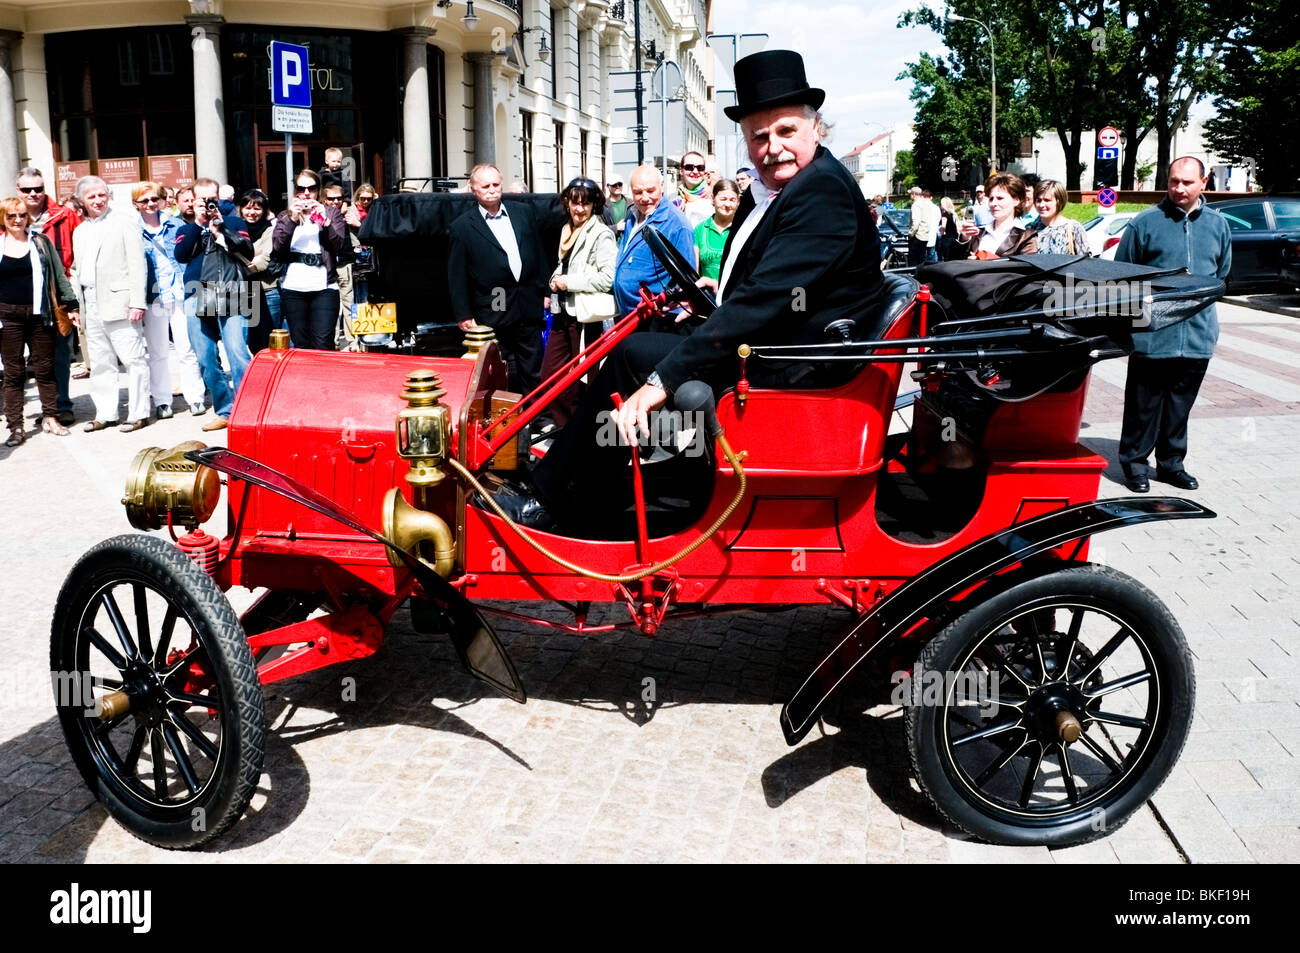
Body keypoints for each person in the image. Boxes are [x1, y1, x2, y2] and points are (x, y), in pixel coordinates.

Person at [508, 49, 886, 531]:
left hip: (790, 365)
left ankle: (556, 498)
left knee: (632, 358)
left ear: (816, 128)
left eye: (786, 131)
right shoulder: (775, 190)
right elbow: (754, 284)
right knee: (634, 348)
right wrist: (704, 303)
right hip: (775, 346)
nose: (773, 147)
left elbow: (766, 297)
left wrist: (662, 380)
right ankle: (590, 485)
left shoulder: (821, 190)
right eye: (759, 136)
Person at [1115, 156, 1231, 493]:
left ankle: (1171, 464)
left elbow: (1221, 274)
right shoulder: (1145, 223)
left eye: (1187, 182)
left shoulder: (1218, 225)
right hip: (1152, 334)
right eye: (1174, 181)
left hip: (1197, 334)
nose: (1179, 188)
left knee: (1180, 406)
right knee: (1143, 405)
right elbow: (1122, 276)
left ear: (1203, 183)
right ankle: (1135, 463)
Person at [446, 163, 548, 393]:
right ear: (474, 190)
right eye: (486, 186)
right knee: (504, 362)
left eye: (496, 184)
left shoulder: (523, 213)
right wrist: (463, 313)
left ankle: (539, 415)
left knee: (533, 362)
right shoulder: (462, 227)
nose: (492, 189)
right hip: (494, 303)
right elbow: (457, 274)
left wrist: (544, 291)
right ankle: (508, 416)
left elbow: (538, 253)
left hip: (528, 300)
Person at [174, 177, 256, 432]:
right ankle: (225, 409)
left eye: (213, 198)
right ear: (194, 200)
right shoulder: (186, 227)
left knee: (237, 351)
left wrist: (221, 231)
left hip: (232, 291)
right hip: (196, 292)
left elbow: (247, 250)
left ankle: (246, 410)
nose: (209, 203)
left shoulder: (234, 221)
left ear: (219, 197)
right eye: (204, 199)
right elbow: (181, 254)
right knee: (205, 356)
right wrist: (199, 223)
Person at [69, 176, 150, 432]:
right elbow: (75, 269)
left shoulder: (124, 222)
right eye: (91, 196)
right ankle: (106, 413)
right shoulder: (80, 230)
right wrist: (76, 305)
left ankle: (138, 413)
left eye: (101, 195)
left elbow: (138, 264)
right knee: (101, 362)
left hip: (120, 301)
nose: (97, 200)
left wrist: (138, 302)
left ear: (109, 196)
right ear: (82, 200)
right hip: (90, 302)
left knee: (133, 359)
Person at [1, 196, 79, 445]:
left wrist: (71, 305)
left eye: (22, 215)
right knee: (14, 374)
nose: (17, 220)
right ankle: (16, 427)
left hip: (39, 314)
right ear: (3, 218)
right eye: (11, 215)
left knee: (45, 370)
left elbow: (58, 274)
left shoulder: (40, 242)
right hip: (8, 317)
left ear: (28, 217)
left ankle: (51, 417)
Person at [540, 177, 618, 426]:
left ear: (594, 205)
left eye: (586, 203)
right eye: (575, 203)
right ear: (567, 203)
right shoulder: (567, 229)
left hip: (585, 318)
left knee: (584, 379)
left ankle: (579, 431)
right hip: (562, 312)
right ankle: (567, 428)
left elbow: (607, 278)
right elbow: (564, 266)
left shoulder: (602, 233)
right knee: (551, 374)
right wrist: (555, 280)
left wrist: (568, 282)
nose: (580, 209)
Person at [134, 181, 205, 418]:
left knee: (187, 349)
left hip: (179, 292)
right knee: (158, 352)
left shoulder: (175, 224)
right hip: (153, 295)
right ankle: (162, 400)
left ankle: (195, 397)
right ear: (136, 204)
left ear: (162, 200)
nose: (150, 204)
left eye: (154, 199)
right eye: (144, 200)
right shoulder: (132, 229)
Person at [16, 166, 80, 424]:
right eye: (27, 189)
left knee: (60, 353)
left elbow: (80, 249)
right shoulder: (7, 217)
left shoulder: (64, 215)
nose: (33, 193)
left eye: (38, 189)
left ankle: (61, 405)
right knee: (18, 356)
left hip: (55, 295)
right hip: (18, 295)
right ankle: (19, 410)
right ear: (18, 190)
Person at [273, 169, 348, 351]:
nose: (306, 193)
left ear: (318, 190)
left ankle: (324, 379)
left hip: (324, 286)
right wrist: (292, 219)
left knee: (323, 343)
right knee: (301, 346)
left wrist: (326, 222)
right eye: (301, 188)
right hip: (293, 287)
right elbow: (278, 248)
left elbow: (338, 245)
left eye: (311, 188)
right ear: (295, 191)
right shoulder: (285, 216)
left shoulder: (330, 213)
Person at [611, 165, 696, 323]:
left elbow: (687, 279)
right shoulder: (632, 215)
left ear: (661, 187)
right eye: (638, 192)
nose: (644, 198)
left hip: (657, 319)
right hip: (628, 316)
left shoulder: (677, 224)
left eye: (650, 191)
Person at [954, 173, 1038, 259]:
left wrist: (985, 259)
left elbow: (1027, 269)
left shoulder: (1026, 237)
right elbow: (955, 263)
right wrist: (964, 238)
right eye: (991, 199)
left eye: (1000, 198)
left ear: (1016, 200)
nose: (993, 203)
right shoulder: (979, 233)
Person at [237, 189, 281, 353]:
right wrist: (254, 256)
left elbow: (265, 259)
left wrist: (243, 261)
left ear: (264, 210)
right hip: (242, 292)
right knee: (249, 342)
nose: (252, 213)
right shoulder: (235, 228)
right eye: (248, 208)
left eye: (257, 208)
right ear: (241, 209)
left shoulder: (270, 230)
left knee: (268, 342)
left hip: (267, 290)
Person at [694, 178, 740, 282]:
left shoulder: (743, 229)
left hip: (735, 295)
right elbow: (695, 270)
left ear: (738, 202)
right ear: (713, 199)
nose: (727, 204)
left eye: (732, 200)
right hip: (707, 295)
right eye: (723, 199)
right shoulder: (700, 230)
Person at [1032, 179, 1091, 256]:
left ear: (1059, 201)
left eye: (1047, 200)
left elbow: (1086, 261)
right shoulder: (1030, 230)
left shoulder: (1073, 228)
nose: (1042, 205)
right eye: (1038, 200)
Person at [673, 151, 714, 227]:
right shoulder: (673, 201)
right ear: (681, 171)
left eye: (700, 168)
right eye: (689, 167)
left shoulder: (714, 198)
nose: (695, 171)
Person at [907, 186, 935, 266]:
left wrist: (910, 233)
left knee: (913, 261)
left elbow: (916, 222)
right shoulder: (926, 204)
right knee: (921, 260)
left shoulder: (916, 205)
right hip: (925, 236)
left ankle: (912, 277)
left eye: (911, 194)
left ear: (914, 194)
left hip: (917, 236)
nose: (910, 196)